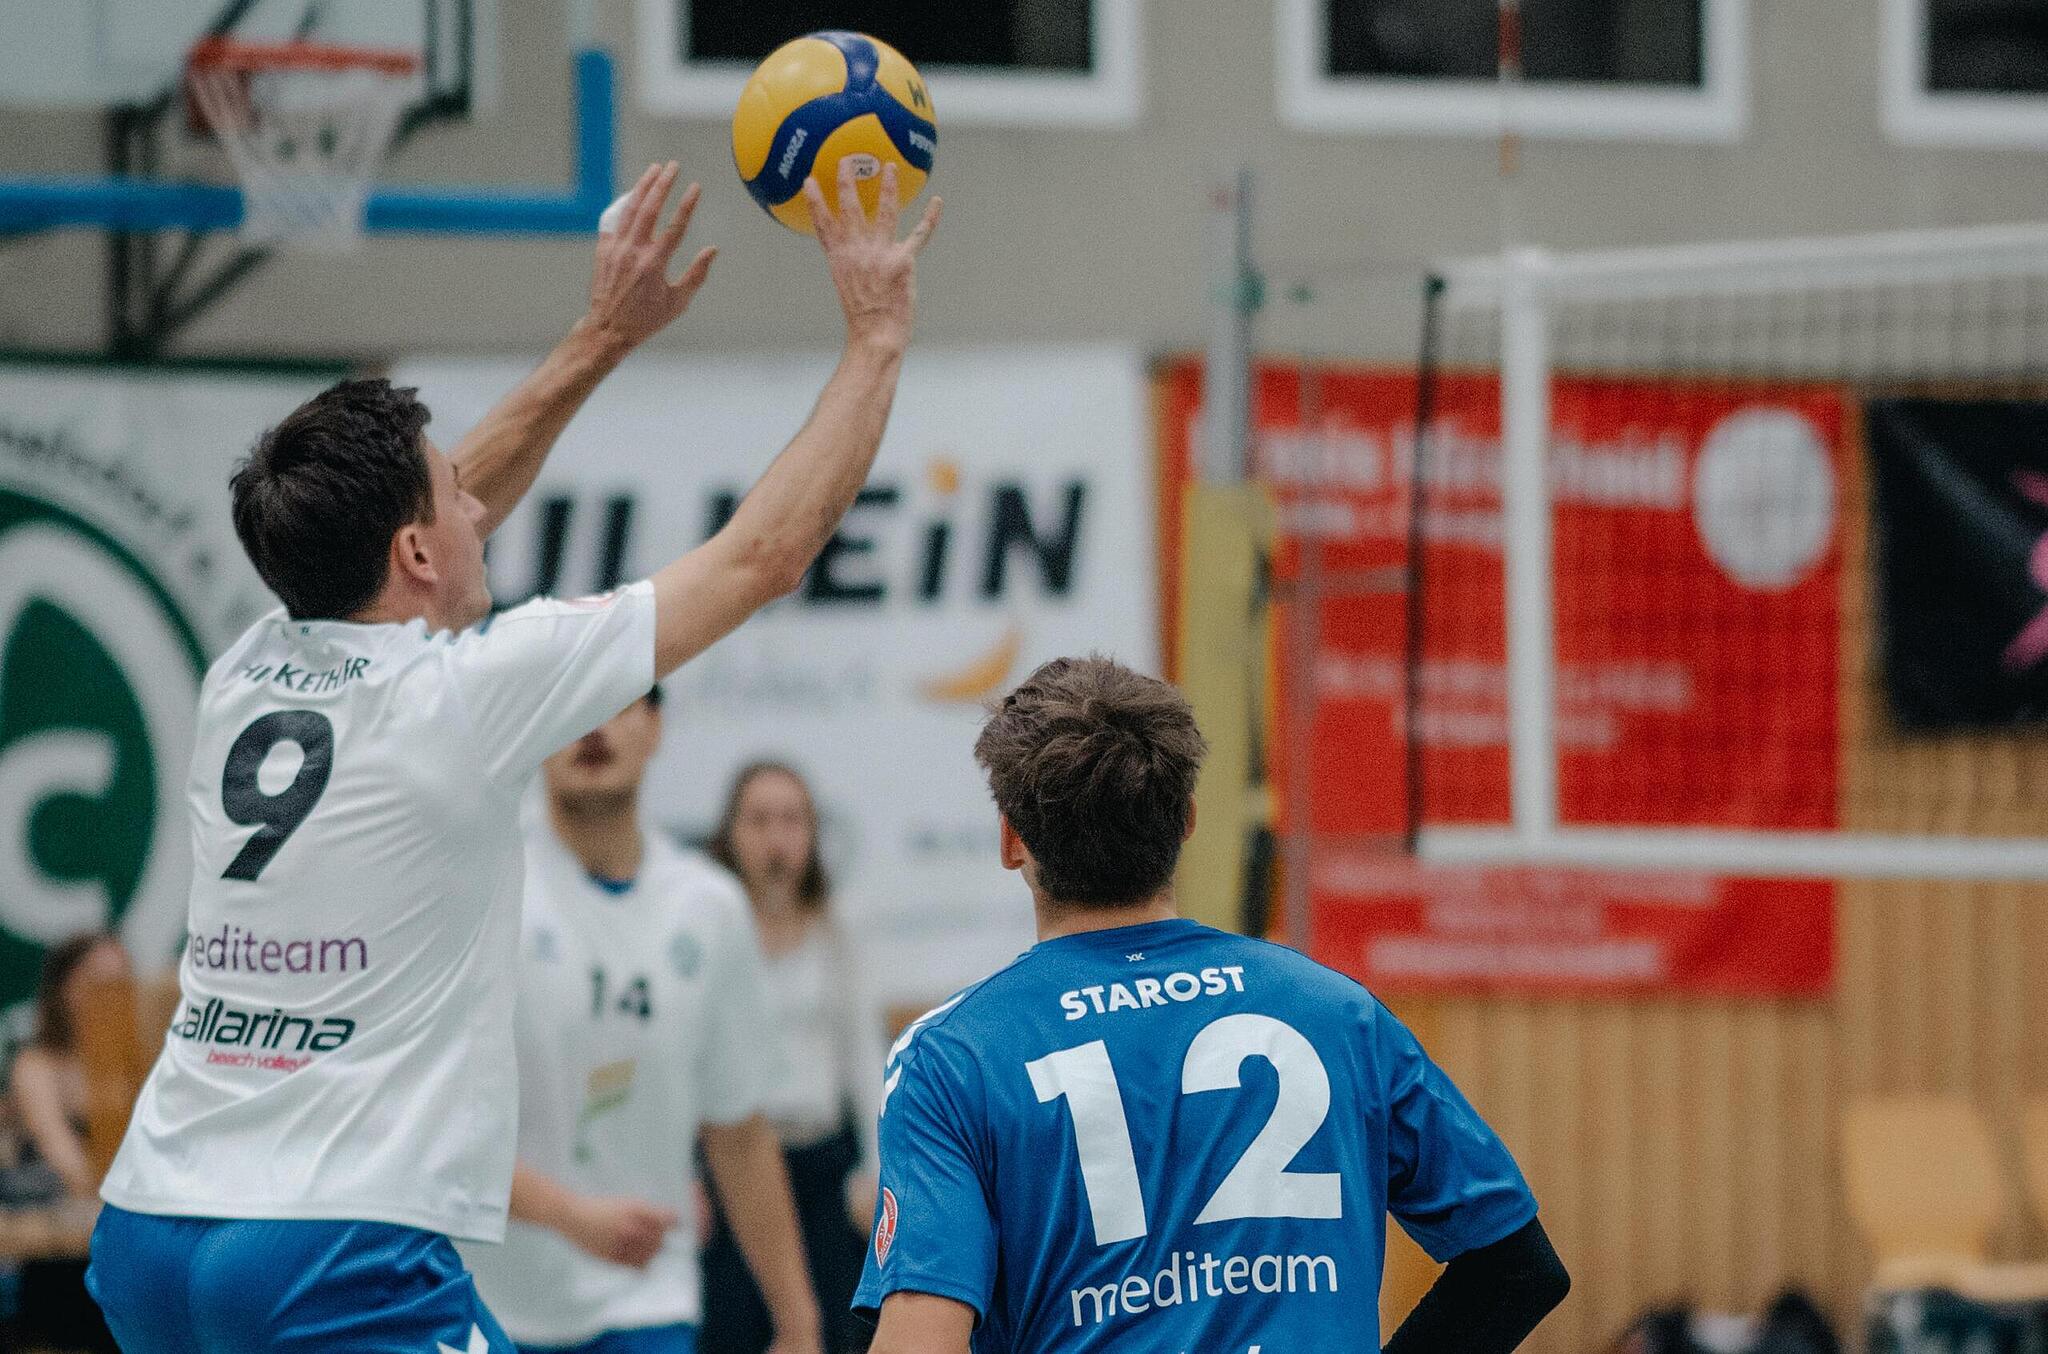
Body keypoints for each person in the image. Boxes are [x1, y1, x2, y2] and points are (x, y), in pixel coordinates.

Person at [85, 158, 941, 1354]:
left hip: (152, 1223)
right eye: (453, 494)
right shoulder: (464, 692)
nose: (479, 506)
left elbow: (418, 523)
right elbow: (761, 557)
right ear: (414, 552)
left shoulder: (249, 665)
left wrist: (601, 340)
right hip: (325, 1243)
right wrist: (876, 338)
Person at [854, 657, 1570, 1354]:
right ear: (1187, 821)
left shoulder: (954, 1056)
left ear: (1012, 839)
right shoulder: (1336, 1012)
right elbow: (1517, 1268)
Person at [459, 690, 818, 1354]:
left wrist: (797, 1322)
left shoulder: (709, 907)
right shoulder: (477, 882)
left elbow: (739, 1132)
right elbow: (434, 1120)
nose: (593, 726)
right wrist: (569, 1216)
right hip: (486, 1301)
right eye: (571, 701)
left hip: (647, 1301)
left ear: (654, 727)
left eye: (617, 702)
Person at [700, 762, 885, 1354]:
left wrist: (876, 1170)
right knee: (730, 1333)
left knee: (831, 1333)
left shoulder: (839, 927)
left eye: (791, 820)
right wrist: (683, 1177)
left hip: (823, 1166)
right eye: (758, 821)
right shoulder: (704, 929)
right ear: (731, 833)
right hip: (733, 1165)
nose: (776, 839)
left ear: (812, 834)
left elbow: (865, 1056)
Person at [8, 933, 128, 1354]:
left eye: (121, 984)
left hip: (115, 1250)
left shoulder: (131, 1067)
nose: (111, 997)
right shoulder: (37, 1065)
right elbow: (71, 1167)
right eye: (98, 983)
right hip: (59, 1261)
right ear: (64, 990)